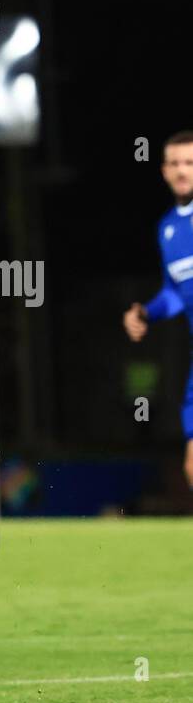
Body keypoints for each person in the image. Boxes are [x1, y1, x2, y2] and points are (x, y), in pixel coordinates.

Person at [123, 131, 193, 488]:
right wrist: (145, 312)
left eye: (190, 163)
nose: (182, 171)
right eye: (175, 163)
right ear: (164, 170)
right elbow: (176, 294)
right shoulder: (168, 228)